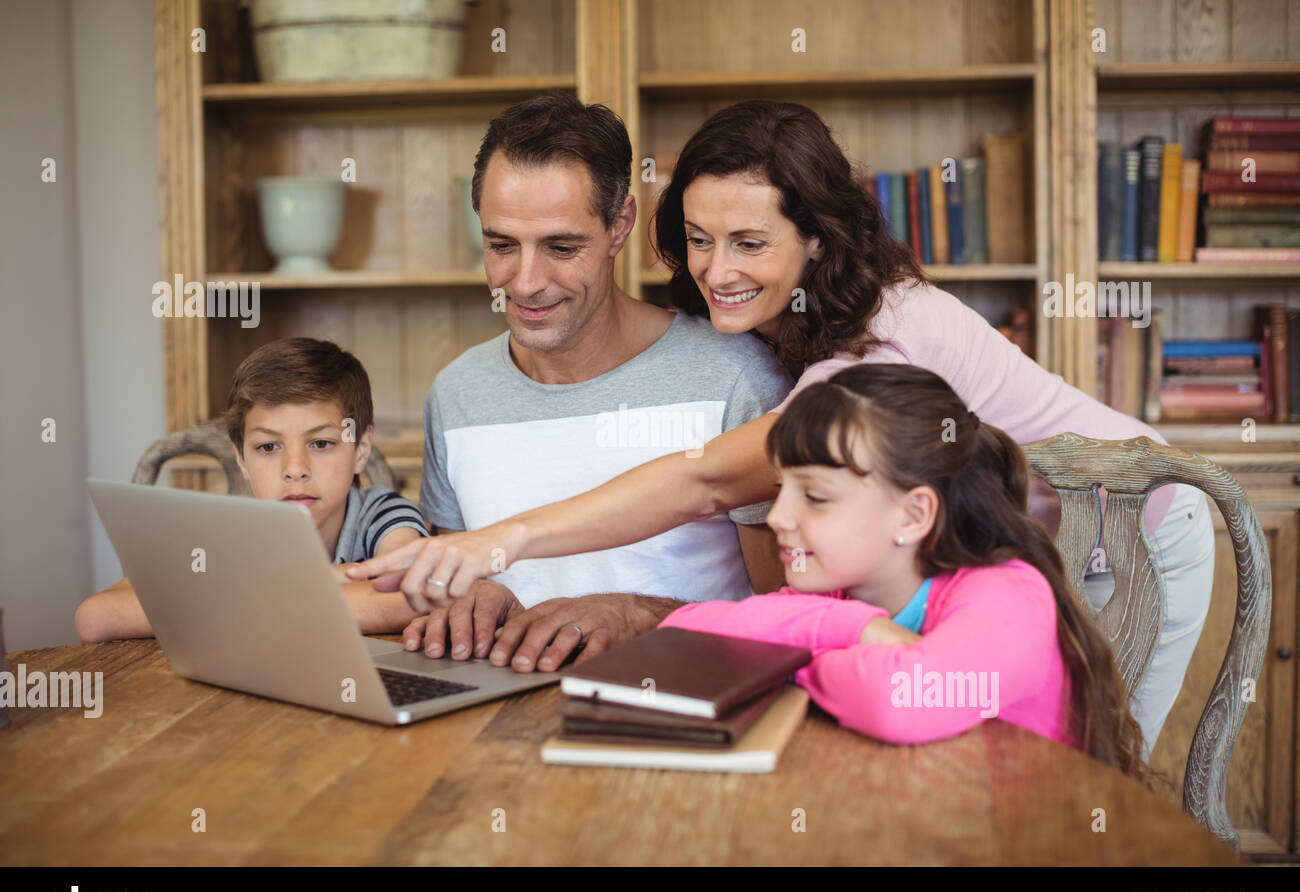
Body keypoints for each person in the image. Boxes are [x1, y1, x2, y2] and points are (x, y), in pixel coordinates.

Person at [351, 99, 1213, 757]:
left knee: (1089, 768)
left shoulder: (876, 344)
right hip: (1000, 555)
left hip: (1136, 521)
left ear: (817, 239)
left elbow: (709, 478)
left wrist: (501, 542)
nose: (716, 271)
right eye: (697, 239)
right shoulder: (770, 334)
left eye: (750, 244)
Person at [389, 91, 792, 671]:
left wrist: (642, 614)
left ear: (620, 224)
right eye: (502, 245)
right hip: (491, 721)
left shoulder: (739, 378)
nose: (525, 283)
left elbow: (790, 613)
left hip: (676, 718)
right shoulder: (456, 393)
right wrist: (467, 603)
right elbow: (452, 583)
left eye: (561, 247)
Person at [657, 363, 1150, 779]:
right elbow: (682, 638)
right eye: (780, 489)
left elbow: (900, 701)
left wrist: (787, 663)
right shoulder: (838, 599)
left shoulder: (1009, 597)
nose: (777, 517)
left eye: (814, 497)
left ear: (913, 515)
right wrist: (854, 628)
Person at [74, 337, 429, 642]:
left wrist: (234, 594)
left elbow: (412, 596)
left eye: (320, 443)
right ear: (241, 459)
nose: (294, 470)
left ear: (360, 451)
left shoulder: (384, 515)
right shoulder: (228, 531)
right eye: (268, 447)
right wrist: (336, 582)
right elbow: (96, 616)